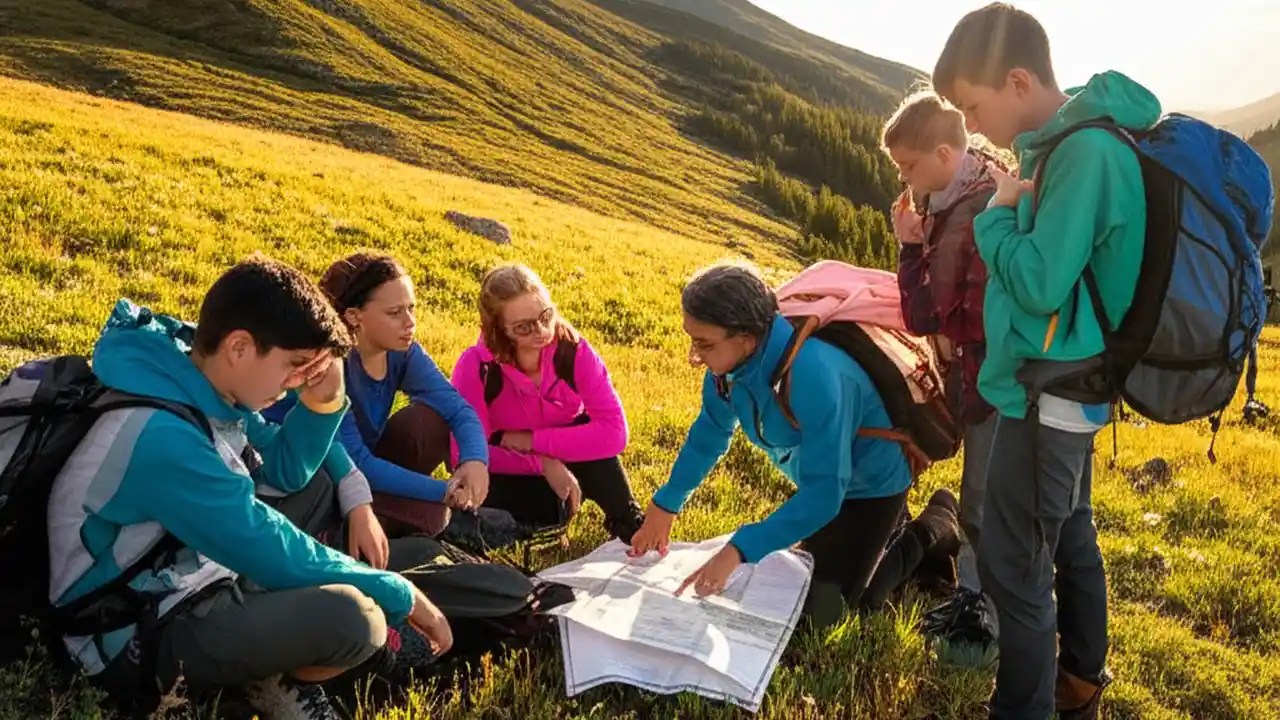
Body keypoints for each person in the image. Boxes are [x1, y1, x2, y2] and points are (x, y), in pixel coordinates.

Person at [47, 257, 451, 720]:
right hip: (132, 628)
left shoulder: (196, 380)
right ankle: (273, 684)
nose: (296, 382)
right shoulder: (162, 436)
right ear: (239, 347)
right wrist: (396, 590)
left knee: (319, 485)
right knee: (357, 620)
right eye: (294, 365)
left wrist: (323, 404)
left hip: (185, 569)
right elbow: (267, 546)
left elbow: (284, 472)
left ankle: (266, 649)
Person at [933, 3, 1156, 716]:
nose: (971, 126)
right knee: (1070, 538)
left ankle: (1026, 706)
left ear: (1018, 80)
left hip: (1045, 395)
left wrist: (995, 216)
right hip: (1065, 388)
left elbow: (1036, 282)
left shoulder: (1083, 154)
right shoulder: (1071, 145)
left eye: (972, 105)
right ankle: (1081, 681)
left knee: (1014, 568)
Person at [627, 262, 961, 630]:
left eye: (704, 344)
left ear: (747, 338)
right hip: (824, 474)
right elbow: (709, 434)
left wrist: (740, 549)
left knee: (829, 613)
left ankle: (934, 525)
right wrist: (665, 504)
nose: (695, 356)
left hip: (871, 484)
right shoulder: (726, 373)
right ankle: (888, 530)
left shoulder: (817, 372)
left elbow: (824, 494)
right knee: (795, 590)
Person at [883, 89, 1003, 638]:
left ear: (944, 156)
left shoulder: (965, 215)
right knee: (991, 492)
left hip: (993, 376)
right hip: (993, 369)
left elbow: (926, 313)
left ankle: (981, 609)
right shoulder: (976, 182)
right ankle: (979, 593)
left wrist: (908, 248)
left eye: (909, 166)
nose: (906, 180)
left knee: (985, 497)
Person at [264, 253, 491, 538]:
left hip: (362, 468)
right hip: (311, 475)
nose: (410, 322)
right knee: (430, 515)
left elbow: (458, 409)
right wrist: (443, 490)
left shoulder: (403, 352)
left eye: (411, 308)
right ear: (354, 317)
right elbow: (357, 460)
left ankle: (367, 527)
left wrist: (474, 460)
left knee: (426, 423)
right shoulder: (328, 366)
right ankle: (333, 534)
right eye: (395, 313)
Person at [450, 263, 645, 544]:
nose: (542, 331)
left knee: (595, 446)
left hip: (567, 460)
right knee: (510, 506)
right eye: (524, 327)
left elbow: (614, 434)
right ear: (498, 331)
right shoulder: (476, 367)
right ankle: (517, 529)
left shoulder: (573, 351)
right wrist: (541, 463)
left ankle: (629, 524)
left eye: (545, 316)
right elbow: (464, 454)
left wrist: (532, 441)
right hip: (510, 473)